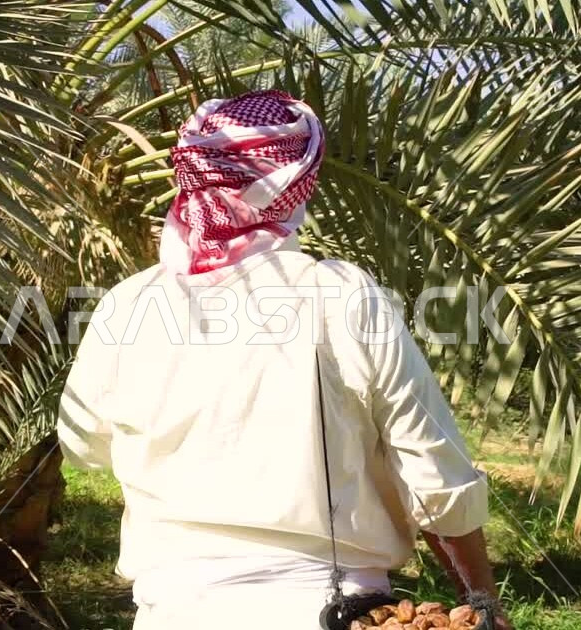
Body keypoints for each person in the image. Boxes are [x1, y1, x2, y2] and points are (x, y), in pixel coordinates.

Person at [56, 90, 510, 629]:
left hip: (172, 611)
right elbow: (434, 477)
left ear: (189, 172)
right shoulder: (343, 294)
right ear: (297, 184)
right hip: (328, 609)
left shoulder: (124, 305)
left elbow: (85, 446)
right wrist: (482, 600)